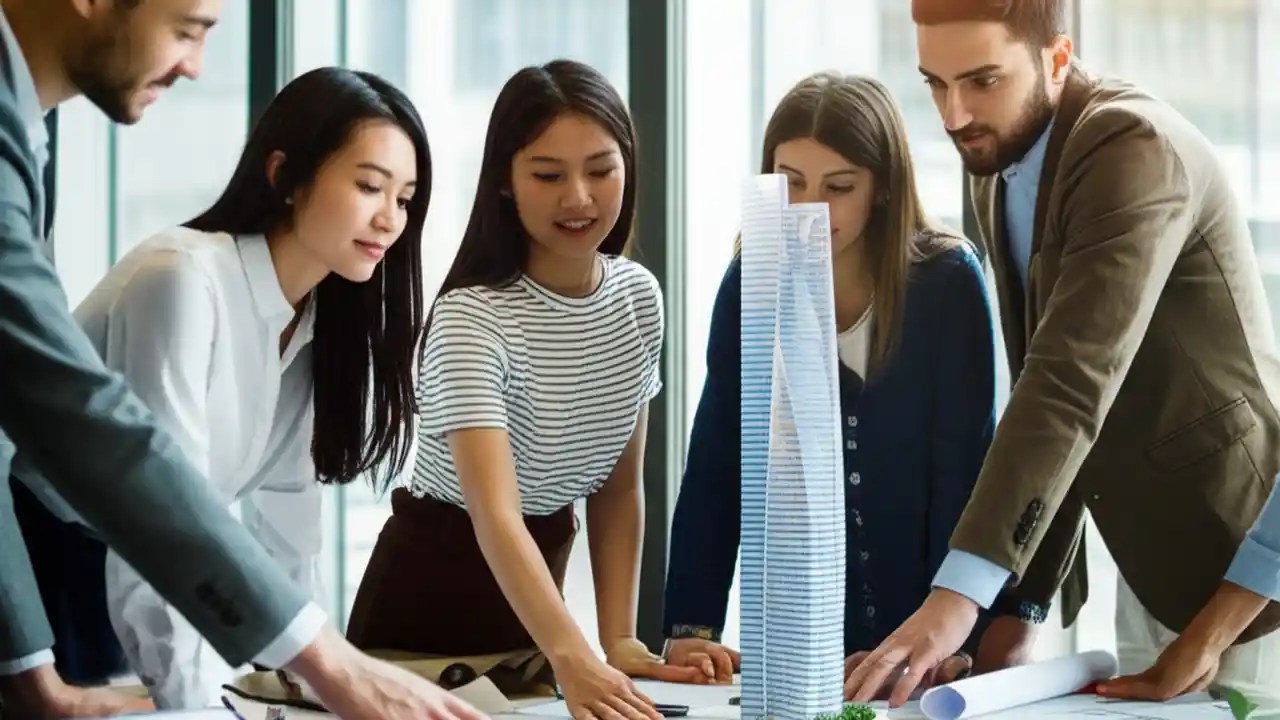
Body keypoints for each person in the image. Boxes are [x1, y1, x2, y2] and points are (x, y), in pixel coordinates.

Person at [0, 1, 481, 718]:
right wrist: (200, 703)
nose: (390, 218)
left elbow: (287, 536)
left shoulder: (314, 325)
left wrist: (318, 689)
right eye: (368, 185)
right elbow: (142, 504)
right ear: (286, 175)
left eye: (405, 199)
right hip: (61, 582)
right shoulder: (182, 279)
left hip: (155, 582)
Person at [845, 0, 1280, 708]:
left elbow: (1069, 383)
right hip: (1150, 563)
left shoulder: (1132, 148)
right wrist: (1022, 607)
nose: (953, 115)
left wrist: (957, 601)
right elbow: (1041, 397)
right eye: (934, 84)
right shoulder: (999, 157)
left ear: (1056, 58)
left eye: (982, 80)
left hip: (1248, 586)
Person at [345, 59, 701, 720]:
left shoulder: (638, 300)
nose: (579, 198)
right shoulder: (471, 319)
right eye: (547, 174)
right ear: (505, 182)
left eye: (600, 169)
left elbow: (619, 489)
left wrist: (617, 639)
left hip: (534, 630)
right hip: (421, 625)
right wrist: (573, 652)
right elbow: (496, 516)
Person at [660, 72, 996, 686]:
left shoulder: (948, 282)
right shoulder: (749, 284)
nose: (810, 207)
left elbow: (965, 477)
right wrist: (691, 628)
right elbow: (715, 465)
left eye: (839, 187)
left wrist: (955, 636)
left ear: (884, 189)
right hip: (807, 643)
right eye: (789, 183)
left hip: (935, 640)